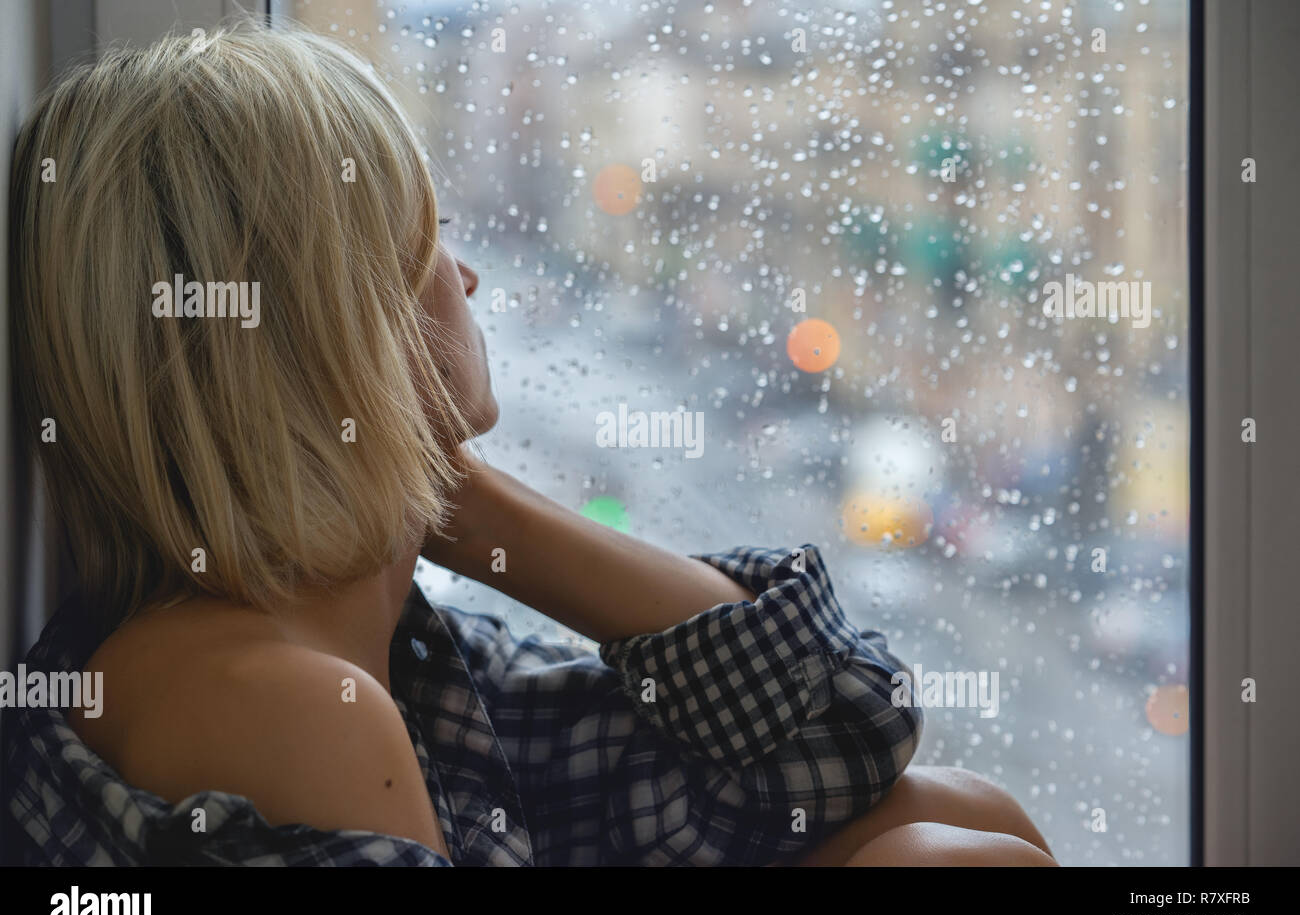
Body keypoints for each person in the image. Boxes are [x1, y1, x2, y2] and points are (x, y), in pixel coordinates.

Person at [4, 20, 1054, 867]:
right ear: (331, 327)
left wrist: (455, 493)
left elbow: (841, 732)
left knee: (966, 811)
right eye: (432, 238)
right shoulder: (273, 701)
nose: (465, 279)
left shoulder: (384, 644)